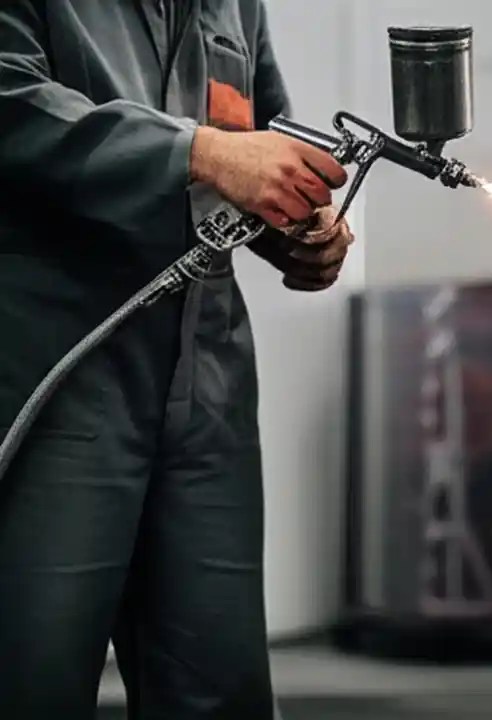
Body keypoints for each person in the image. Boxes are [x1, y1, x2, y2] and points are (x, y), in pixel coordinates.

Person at [0, 2, 354, 717]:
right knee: (32, 677)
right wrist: (200, 153)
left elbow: (262, 135)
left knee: (217, 685)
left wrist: (300, 224)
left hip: (208, 387)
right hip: (60, 371)